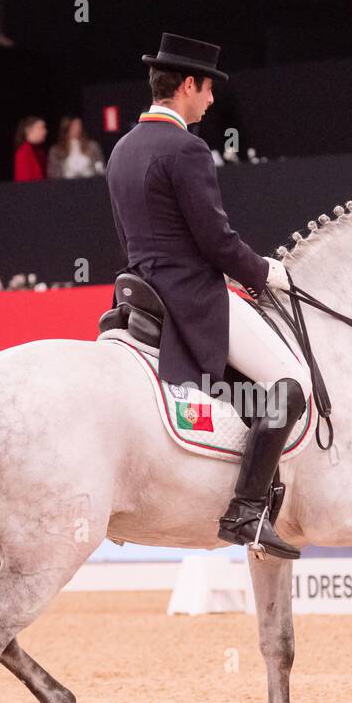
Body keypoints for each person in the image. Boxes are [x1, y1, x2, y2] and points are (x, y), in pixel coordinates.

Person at [106, 33, 311, 559]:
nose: (213, 100)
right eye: (209, 89)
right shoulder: (187, 149)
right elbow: (217, 241)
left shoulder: (123, 148)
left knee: (258, 387)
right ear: (188, 85)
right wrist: (264, 273)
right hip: (191, 299)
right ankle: (246, 511)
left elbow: (133, 238)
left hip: (142, 293)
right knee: (290, 386)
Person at [13, 116, 48, 182]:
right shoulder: (23, 152)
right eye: (41, 128)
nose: (45, 131)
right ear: (28, 130)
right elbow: (24, 182)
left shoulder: (40, 152)